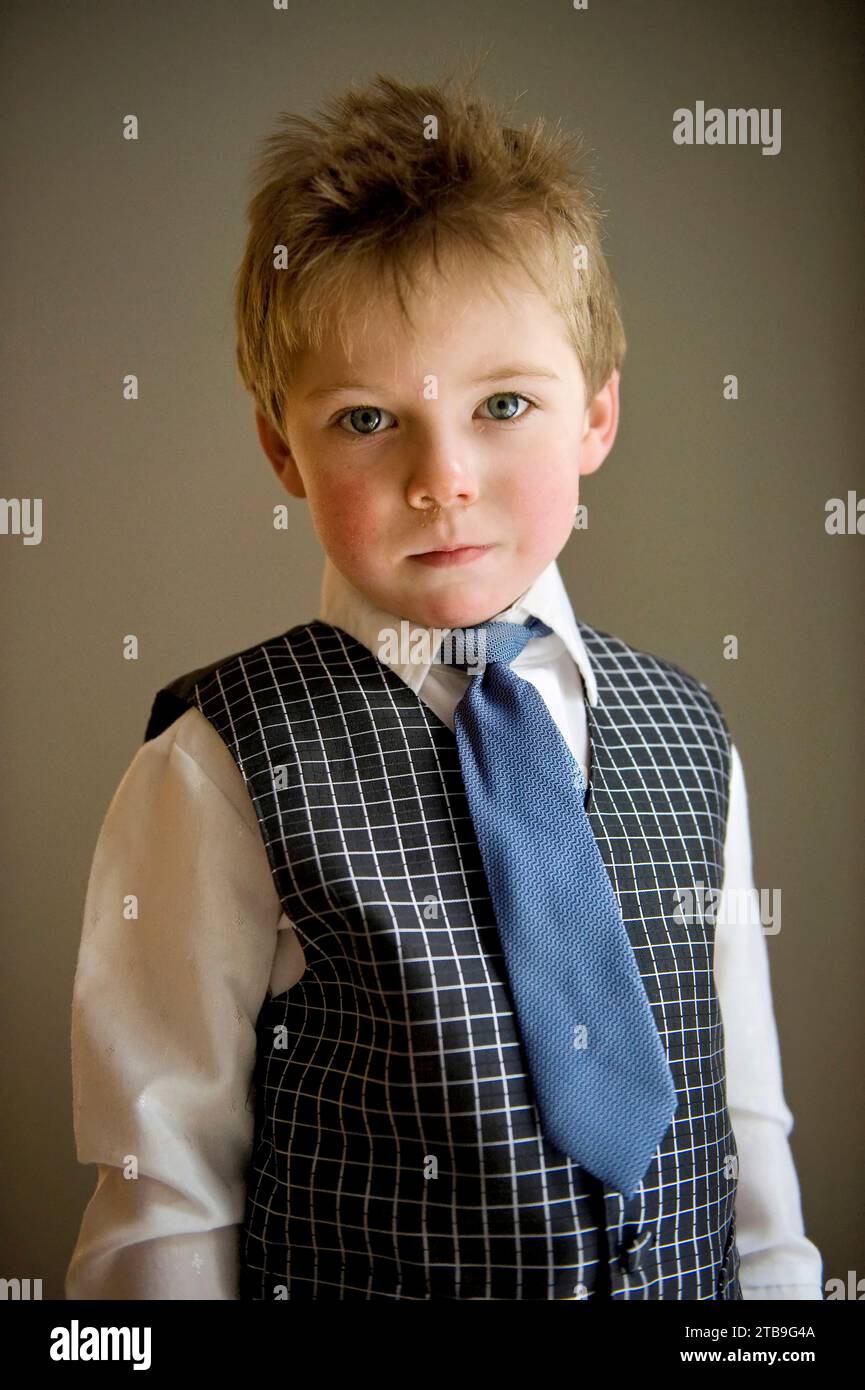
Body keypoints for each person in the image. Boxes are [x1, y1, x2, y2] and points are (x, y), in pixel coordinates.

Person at [65, 64, 823, 1300]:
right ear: (281, 446)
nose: (443, 476)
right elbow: (168, 1198)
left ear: (595, 418)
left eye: (505, 404)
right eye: (368, 420)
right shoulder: (215, 763)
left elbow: (746, 1125)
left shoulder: (691, 735)